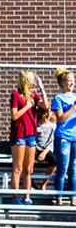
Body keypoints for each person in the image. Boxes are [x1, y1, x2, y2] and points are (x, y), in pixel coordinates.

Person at [8, 70, 41, 204]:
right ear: (25, 81)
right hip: (19, 135)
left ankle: (27, 197)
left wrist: (42, 87)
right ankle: (15, 197)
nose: (32, 82)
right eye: (31, 80)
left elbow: (46, 105)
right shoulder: (15, 95)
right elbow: (14, 116)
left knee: (28, 169)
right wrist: (27, 106)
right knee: (18, 167)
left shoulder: (34, 95)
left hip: (31, 135)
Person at [45, 68, 76, 204]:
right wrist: (73, 108)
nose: (72, 83)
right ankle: (59, 197)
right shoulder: (58, 98)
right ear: (62, 83)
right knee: (62, 168)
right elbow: (61, 119)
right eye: (69, 81)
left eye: (73, 81)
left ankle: (73, 197)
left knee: (74, 168)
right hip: (63, 137)